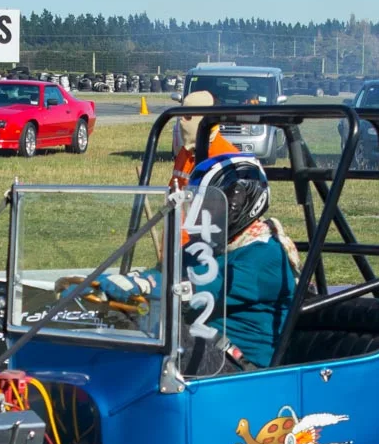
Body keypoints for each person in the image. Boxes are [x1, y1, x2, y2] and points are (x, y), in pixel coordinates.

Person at [103, 153, 299, 369]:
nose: (199, 214)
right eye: (198, 202)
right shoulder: (208, 245)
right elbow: (167, 274)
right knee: (109, 324)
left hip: (241, 368)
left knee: (163, 337)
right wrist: (117, 285)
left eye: (210, 205)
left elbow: (198, 286)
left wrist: (145, 285)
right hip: (202, 347)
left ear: (239, 203)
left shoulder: (266, 255)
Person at [169, 89, 239, 189]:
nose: (182, 122)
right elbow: (173, 192)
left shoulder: (228, 158)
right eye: (181, 116)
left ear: (206, 120)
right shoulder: (185, 152)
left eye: (188, 116)